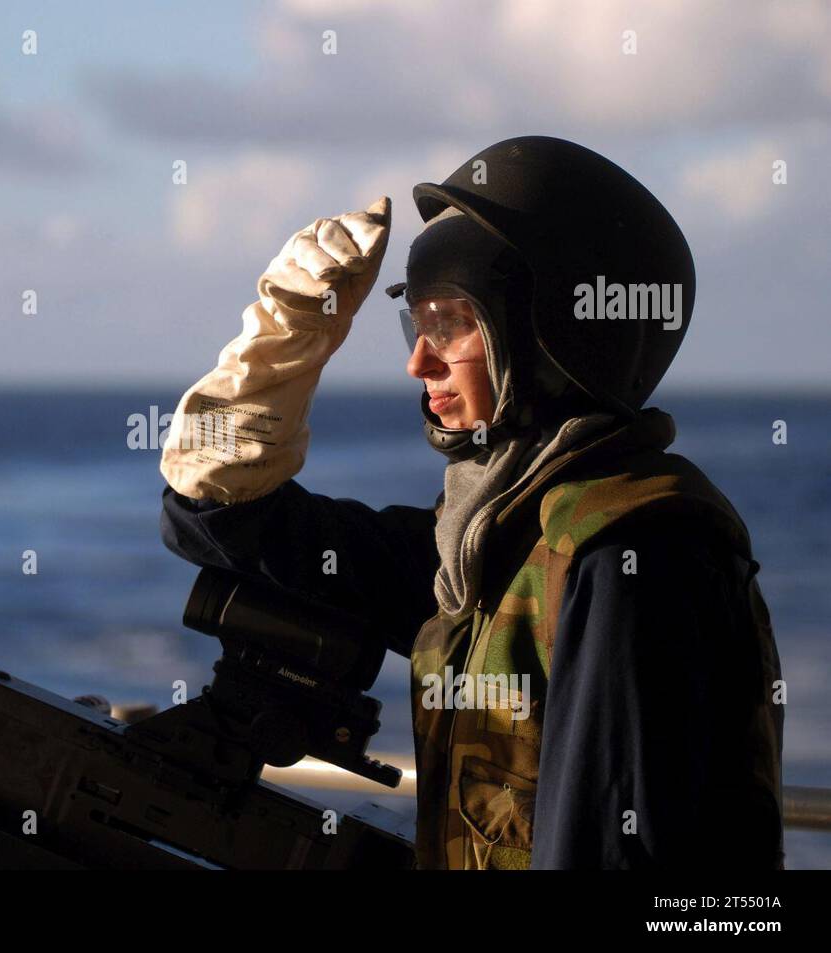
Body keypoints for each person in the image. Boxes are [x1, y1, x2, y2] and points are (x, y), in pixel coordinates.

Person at [157, 136, 784, 869]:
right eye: (416, 323)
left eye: (449, 325)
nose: (417, 361)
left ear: (553, 335)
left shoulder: (629, 555)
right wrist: (288, 334)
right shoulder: (489, 539)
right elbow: (215, 519)